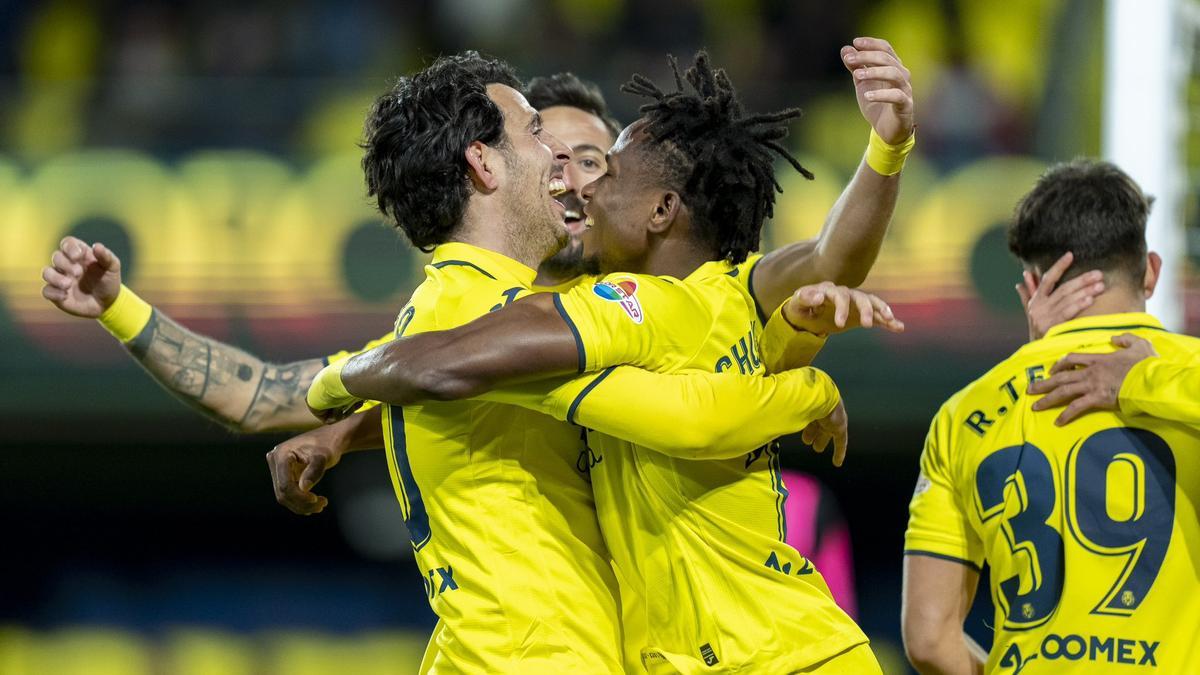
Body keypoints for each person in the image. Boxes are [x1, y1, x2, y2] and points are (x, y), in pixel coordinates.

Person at [308, 44, 915, 672]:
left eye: (608, 172)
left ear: (661, 210)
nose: (585, 186)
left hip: (777, 654)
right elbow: (484, 370)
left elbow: (461, 364)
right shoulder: (701, 303)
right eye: (546, 143)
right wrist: (800, 381)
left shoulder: (645, 303)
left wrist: (332, 385)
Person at [902, 159, 1200, 673]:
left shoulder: (962, 414)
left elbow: (929, 638)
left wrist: (1036, 363)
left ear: (1032, 284)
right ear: (1150, 270)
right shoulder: (1185, 375)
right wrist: (1149, 382)